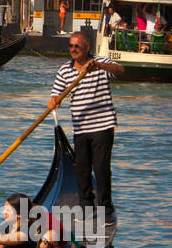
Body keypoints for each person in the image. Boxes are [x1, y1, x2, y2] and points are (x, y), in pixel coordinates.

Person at [47, 32, 124, 227]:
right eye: (71, 46)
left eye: (77, 46)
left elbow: (121, 70)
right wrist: (54, 101)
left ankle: (106, 210)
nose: (73, 49)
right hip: (80, 127)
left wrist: (100, 66)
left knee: (100, 168)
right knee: (82, 170)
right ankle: (86, 210)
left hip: (103, 125)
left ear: (86, 47)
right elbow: (56, 94)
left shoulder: (99, 62)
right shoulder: (65, 71)